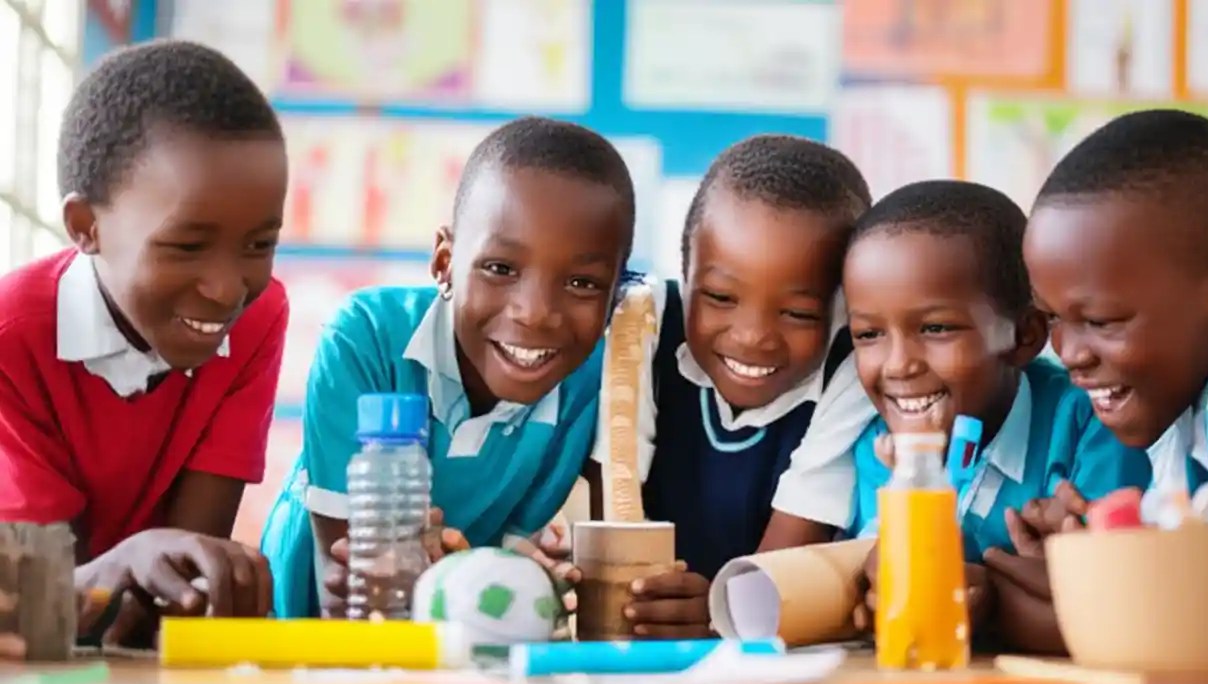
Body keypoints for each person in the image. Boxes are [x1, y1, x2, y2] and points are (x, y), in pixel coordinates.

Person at [260, 117, 635, 619]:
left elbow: (505, 557)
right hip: (304, 621)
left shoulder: (590, 385)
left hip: (456, 628)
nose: (535, 312)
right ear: (444, 262)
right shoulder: (364, 337)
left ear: (616, 295)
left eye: (583, 283)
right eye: (500, 269)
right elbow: (350, 576)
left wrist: (525, 576)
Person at [0, 40, 288, 647]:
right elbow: (32, 603)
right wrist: (128, 564)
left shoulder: (259, 316)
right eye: (186, 245)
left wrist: (197, 580)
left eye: (259, 245)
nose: (228, 288)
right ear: (85, 227)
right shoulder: (12, 336)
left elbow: (178, 587)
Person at [998, 108, 1208, 652]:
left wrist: (1029, 612)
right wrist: (1098, 560)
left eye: (1101, 322)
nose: (1071, 354)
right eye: (1053, 317)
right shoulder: (1179, 368)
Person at [827, 180, 1150, 638]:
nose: (898, 364)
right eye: (868, 334)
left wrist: (989, 599)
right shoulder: (874, 446)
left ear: (1024, 336)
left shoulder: (1092, 422)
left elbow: (1120, 598)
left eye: (936, 328)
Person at [588, 135, 875, 638]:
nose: (753, 337)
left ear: (844, 306)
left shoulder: (853, 370)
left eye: (798, 313)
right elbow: (614, 506)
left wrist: (719, 613)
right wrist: (636, 595)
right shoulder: (644, 324)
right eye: (720, 296)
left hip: (769, 657)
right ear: (685, 273)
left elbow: (771, 585)